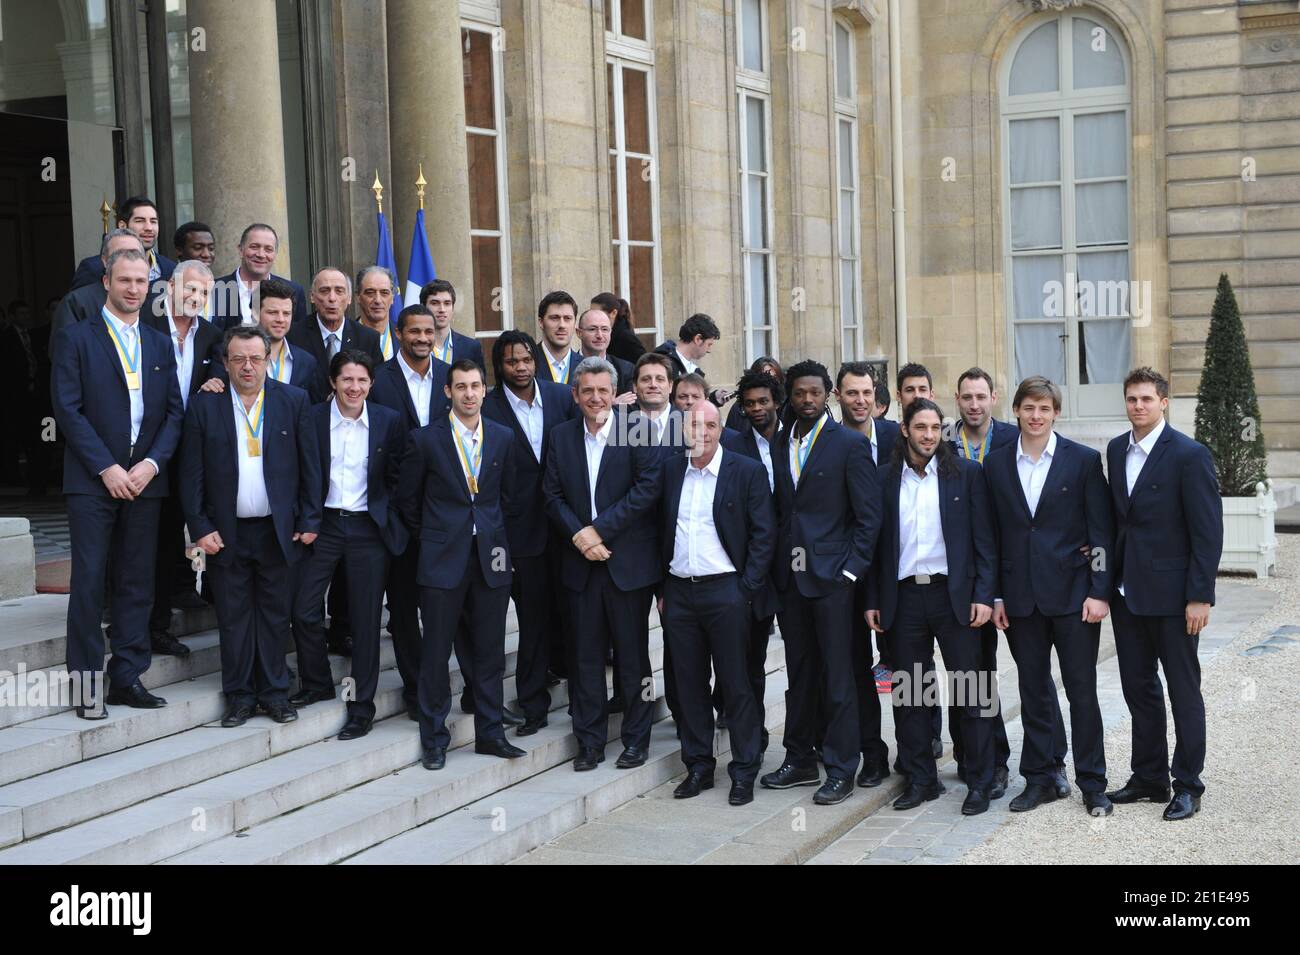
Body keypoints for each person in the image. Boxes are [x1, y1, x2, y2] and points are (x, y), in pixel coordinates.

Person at [51, 248, 184, 718]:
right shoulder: (76, 338)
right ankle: (88, 686)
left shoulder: (159, 342)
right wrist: (106, 467)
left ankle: (127, 677)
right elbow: (67, 410)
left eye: (141, 282)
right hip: (93, 483)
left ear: (151, 287)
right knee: (89, 583)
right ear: (106, 282)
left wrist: (150, 464)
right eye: (124, 280)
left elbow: (173, 413)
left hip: (146, 482)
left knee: (137, 582)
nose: (133, 288)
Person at [985, 375, 1115, 816]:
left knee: (1082, 692)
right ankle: (1040, 777)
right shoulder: (997, 463)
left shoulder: (1081, 461)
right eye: (1028, 408)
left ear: (1055, 413)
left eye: (1044, 409)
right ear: (1016, 411)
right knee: (1034, 691)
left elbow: (1101, 532)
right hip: (1020, 600)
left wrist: (1100, 591)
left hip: (1075, 596)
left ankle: (1093, 783)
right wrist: (997, 596)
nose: (1036, 416)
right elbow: (993, 535)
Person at [180, 325, 321, 728]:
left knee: (277, 616)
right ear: (225, 362)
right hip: (225, 533)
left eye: (255, 358)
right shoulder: (205, 405)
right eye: (238, 358)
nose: (247, 366)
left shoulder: (293, 400)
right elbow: (191, 476)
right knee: (233, 618)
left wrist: (311, 519)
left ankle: (276, 694)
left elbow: (311, 466)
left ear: (267, 360)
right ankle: (239, 697)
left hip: (280, 532)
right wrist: (200, 527)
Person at [865, 397, 998, 816]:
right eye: (920, 427)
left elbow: (985, 543)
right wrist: (872, 600)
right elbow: (874, 545)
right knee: (910, 695)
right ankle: (921, 779)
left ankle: (979, 779)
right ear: (904, 430)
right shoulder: (883, 479)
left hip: (954, 596)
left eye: (935, 428)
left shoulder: (966, 474)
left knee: (970, 689)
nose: (928, 435)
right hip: (902, 599)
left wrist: (983, 595)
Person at [759, 360, 880, 806]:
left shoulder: (848, 444)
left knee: (839, 676)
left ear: (827, 394)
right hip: (792, 583)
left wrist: (849, 573)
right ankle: (800, 758)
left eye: (815, 393)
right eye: (799, 393)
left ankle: (842, 766)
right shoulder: (779, 443)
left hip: (833, 583)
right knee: (800, 675)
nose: (807, 400)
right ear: (789, 395)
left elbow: (869, 518)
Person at [1104, 367, 1222, 822]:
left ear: (1164, 403)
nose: (1138, 406)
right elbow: (1120, 521)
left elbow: (1207, 531)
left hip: (1175, 600)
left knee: (1183, 690)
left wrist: (1200, 595)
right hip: (1127, 595)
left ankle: (1188, 785)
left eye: (1146, 399)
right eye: (1132, 399)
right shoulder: (1116, 450)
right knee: (1139, 690)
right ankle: (1149, 777)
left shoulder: (1189, 455)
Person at [397, 358, 525, 770]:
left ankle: (491, 734)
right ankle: (435, 738)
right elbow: (409, 503)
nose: (470, 393)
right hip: (441, 559)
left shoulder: (503, 437)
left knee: (490, 652)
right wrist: (438, 536)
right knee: (436, 652)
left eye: (476, 386)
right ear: (447, 392)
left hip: (491, 557)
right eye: (461, 387)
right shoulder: (425, 440)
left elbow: (509, 498)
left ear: (485, 390)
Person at [544, 357, 664, 772]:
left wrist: (598, 532)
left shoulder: (640, 430)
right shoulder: (560, 437)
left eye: (603, 390)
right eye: (587, 391)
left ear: (615, 394)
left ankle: (636, 739)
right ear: (575, 395)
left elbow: (647, 491)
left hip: (625, 565)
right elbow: (551, 495)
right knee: (585, 659)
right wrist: (580, 537)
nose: (596, 398)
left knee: (633, 660)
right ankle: (590, 741)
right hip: (580, 564)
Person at [948, 366, 1057, 798]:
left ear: (993, 398)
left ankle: (1054, 761)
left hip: (1014, 582)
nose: (974, 404)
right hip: (962, 583)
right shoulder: (941, 444)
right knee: (974, 676)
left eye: (981, 396)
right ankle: (986, 760)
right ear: (956, 399)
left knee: (1036, 676)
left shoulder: (1018, 439)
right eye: (966, 397)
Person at [659, 401, 775, 806]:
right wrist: (662, 590)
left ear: (721, 427)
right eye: (694, 424)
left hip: (727, 592)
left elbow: (764, 537)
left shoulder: (746, 471)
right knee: (688, 686)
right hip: (679, 593)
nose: (702, 431)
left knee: (736, 684)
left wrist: (745, 591)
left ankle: (744, 770)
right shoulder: (671, 470)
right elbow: (659, 528)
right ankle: (699, 767)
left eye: (710, 424)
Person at [289, 350, 408, 740]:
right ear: (333, 383)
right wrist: (306, 519)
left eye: (361, 381)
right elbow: (302, 472)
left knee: (365, 621)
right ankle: (317, 682)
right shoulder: (313, 418)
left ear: (371, 384)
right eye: (347, 380)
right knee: (305, 610)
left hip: (367, 530)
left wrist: (387, 516)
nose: (354, 387)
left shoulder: (388, 422)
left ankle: (361, 706)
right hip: (322, 526)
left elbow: (397, 476)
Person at [482, 331, 577, 734]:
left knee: (576, 616)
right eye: (510, 362)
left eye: (525, 359)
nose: (520, 367)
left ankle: (582, 701)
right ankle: (533, 704)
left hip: (570, 527)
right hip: (521, 534)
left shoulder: (559, 397)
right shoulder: (486, 406)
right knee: (533, 621)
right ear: (498, 366)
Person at [367, 304, 450, 717]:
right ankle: (416, 690)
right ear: (398, 333)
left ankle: (459, 687)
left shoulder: (453, 377)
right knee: (402, 608)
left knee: (448, 607)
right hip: (396, 516)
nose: (421, 337)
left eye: (428, 331)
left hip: (445, 515)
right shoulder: (377, 380)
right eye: (413, 331)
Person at [142, 260, 223, 653]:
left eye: (204, 293)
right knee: (151, 542)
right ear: (170, 287)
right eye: (190, 289)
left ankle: (172, 610)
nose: (196, 298)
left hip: (192, 453)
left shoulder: (212, 335)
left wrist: (218, 379)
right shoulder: (146, 325)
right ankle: (150, 625)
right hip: (148, 450)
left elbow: (224, 374)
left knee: (182, 532)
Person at [835, 362, 900, 787]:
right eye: (851, 393)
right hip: (848, 575)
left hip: (897, 572)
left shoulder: (898, 436)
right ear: (837, 396)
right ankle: (870, 752)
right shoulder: (826, 440)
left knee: (905, 666)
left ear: (876, 396)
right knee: (854, 667)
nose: (860, 401)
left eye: (866, 393)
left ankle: (921, 748)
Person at [286, 267, 384, 402]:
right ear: (312, 297)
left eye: (339, 291)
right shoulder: (293, 335)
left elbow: (377, 387)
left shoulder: (368, 338)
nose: (332, 298)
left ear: (349, 298)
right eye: (324, 291)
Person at [53, 230, 149, 345]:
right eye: (119, 254)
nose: (127, 261)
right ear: (104, 260)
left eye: (134, 254)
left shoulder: (153, 301)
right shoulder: (76, 302)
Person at [210, 223, 308, 330]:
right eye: (254, 247)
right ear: (240, 250)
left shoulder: (294, 291)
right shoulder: (215, 289)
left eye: (268, 249)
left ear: (275, 254)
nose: (261, 254)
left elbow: (297, 337)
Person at [69, 197, 175, 290]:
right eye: (140, 221)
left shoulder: (171, 269)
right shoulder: (94, 268)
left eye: (153, 221)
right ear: (122, 226)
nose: (149, 228)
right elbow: (78, 308)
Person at [653, 313, 732, 407]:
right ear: (698, 339)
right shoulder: (662, 364)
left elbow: (693, 407)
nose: (709, 350)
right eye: (709, 344)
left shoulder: (694, 370)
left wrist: (713, 399)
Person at [419, 279, 485, 371]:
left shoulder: (471, 347)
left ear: (453, 308)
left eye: (447, 303)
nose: (442, 309)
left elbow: (480, 384)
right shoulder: (415, 345)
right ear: (423, 307)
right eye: (435, 303)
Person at [576, 306, 636, 399]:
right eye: (592, 329)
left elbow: (630, 408)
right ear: (579, 333)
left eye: (604, 329)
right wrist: (611, 403)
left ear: (610, 332)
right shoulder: (568, 367)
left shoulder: (626, 370)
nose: (599, 335)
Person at [532, 290, 582, 385]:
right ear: (541, 322)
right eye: (555, 318)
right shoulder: (528, 363)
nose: (562, 325)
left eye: (567, 318)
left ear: (575, 323)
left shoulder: (586, 366)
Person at [725, 356, 785, 432]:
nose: (757, 408)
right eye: (763, 377)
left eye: (774, 378)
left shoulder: (788, 407)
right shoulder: (738, 409)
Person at [355, 266, 397, 361]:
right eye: (370, 293)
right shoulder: (345, 336)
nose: (378, 300)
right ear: (358, 297)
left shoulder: (404, 336)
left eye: (384, 293)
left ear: (392, 298)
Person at [591, 291, 645, 365]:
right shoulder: (612, 333)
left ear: (613, 313)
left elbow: (644, 364)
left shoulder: (626, 337)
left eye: (597, 313)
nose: (592, 317)